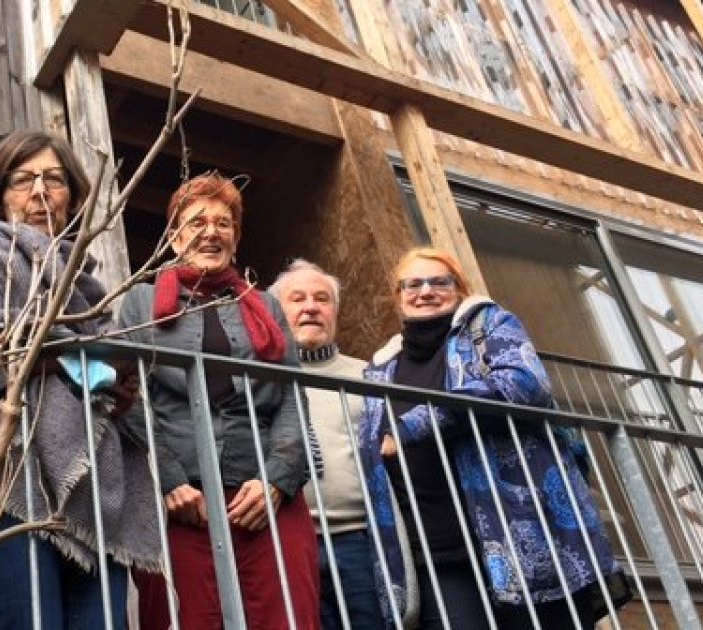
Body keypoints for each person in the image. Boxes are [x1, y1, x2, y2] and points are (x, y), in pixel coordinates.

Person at [0, 130, 161, 629]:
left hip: (96, 492)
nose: (40, 191)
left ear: (73, 198)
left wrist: (107, 374)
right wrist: (88, 360)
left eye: (54, 180)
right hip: (9, 470)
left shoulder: (89, 286)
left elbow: (116, 375)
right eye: (23, 179)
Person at [358, 247, 625, 629]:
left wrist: (416, 423)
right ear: (398, 297)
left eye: (439, 282)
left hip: (520, 535)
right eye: (412, 284)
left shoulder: (489, 325)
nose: (426, 291)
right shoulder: (381, 368)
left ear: (460, 288)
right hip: (437, 551)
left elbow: (525, 383)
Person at [120, 173, 319, 629]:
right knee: (187, 618)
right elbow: (129, 397)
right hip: (181, 501)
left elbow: (291, 396)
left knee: (288, 616)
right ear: (175, 238)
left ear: (236, 238)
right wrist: (169, 480)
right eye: (197, 223)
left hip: (266, 496)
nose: (211, 232)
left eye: (223, 223)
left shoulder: (266, 306)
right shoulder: (141, 302)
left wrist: (277, 479)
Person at [269, 259, 382, 629]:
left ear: (335, 311)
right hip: (286, 540)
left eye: (322, 299)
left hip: (361, 539)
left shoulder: (369, 376)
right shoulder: (259, 377)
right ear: (274, 312)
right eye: (297, 299)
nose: (310, 308)